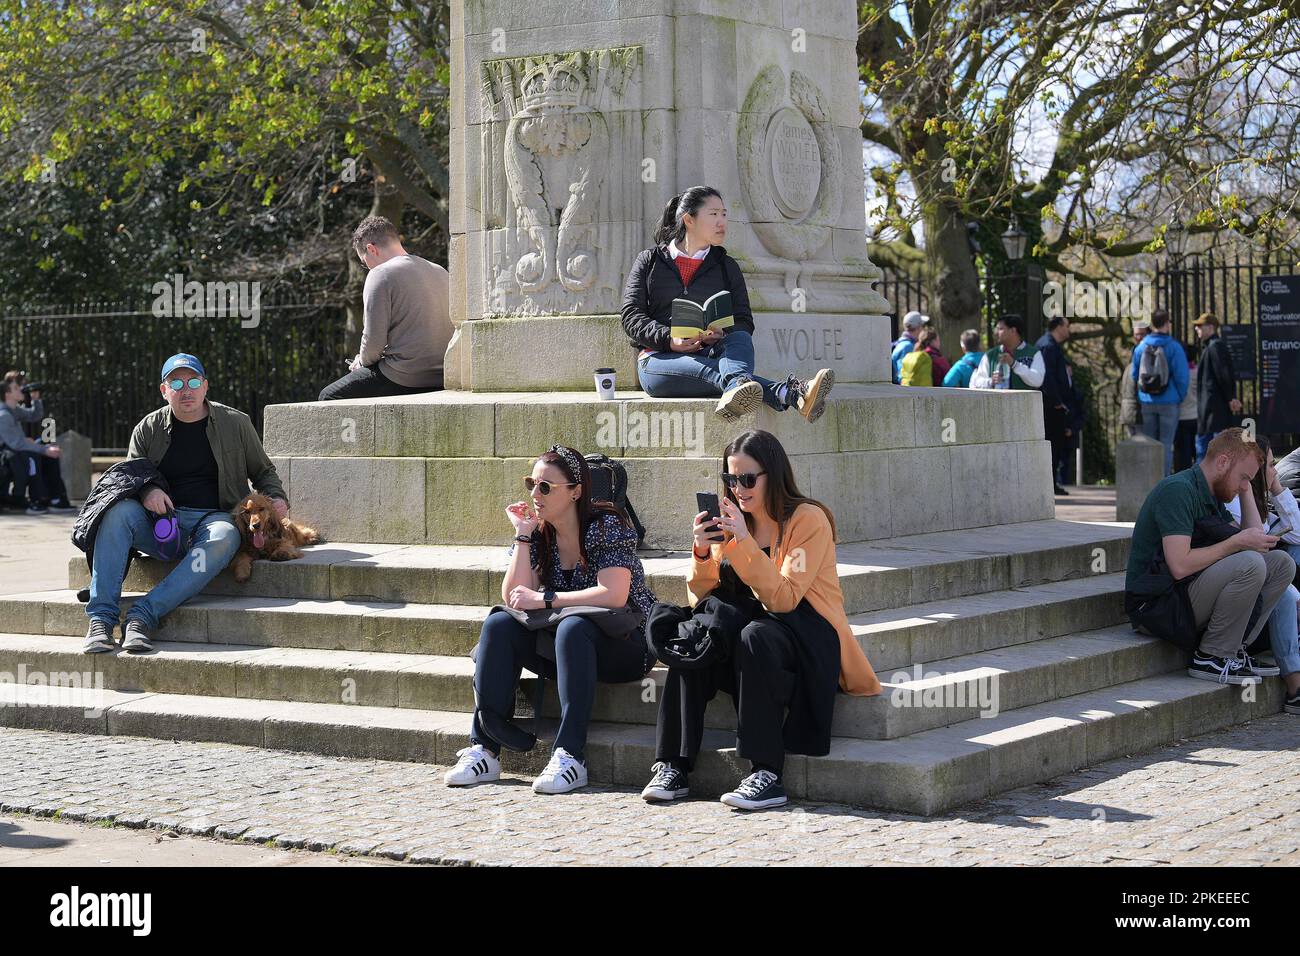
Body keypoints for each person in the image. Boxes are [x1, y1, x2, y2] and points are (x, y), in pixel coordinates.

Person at [640, 429, 882, 811]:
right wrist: (703, 552)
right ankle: (673, 764)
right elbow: (703, 597)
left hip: (805, 638)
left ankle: (766, 773)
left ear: (774, 474)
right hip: (749, 643)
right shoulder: (735, 522)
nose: (739, 488)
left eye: (748, 479)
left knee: (756, 634)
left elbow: (785, 599)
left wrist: (741, 544)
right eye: (730, 479)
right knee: (696, 634)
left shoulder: (808, 520)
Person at [445, 445, 658, 794]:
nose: (534, 494)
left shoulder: (607, 525)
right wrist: (523, 535)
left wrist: (546, 598)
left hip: (627, 645)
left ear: (576, 492)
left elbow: (614, 594)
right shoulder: (539, 532)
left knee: (574, 626)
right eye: (532, 483)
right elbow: (514, 596)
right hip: (568, 648)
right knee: (499, 624)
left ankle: (571, 756)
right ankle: (485, 748)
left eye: (545, 487)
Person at [83, 353, 290, 654]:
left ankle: (143, 616)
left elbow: (263, 472)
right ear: (164, 391)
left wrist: (278, 498)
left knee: (226, 535)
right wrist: (147, 492)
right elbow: (125, 480)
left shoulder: (236, 423)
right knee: (117, 514)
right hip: (160, 524)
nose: (186, 389)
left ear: (205, 386)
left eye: (193, 381)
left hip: (214, 518)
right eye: (176, 383)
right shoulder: (147, 428)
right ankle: (101, 619)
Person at [621, 187, 834, 423]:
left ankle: (754, 387)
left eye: (724, 214)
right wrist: (668, 338)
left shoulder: (726, 265)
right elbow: (631, 315)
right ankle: (789, 393)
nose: (722, 221)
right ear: (689, 220)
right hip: (659, 361)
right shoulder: (650, 261)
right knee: (719, 372)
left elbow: (743, 319)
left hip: (713, 352)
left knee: (740, 337)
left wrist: (721, 333)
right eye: (713, 214)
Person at [1124, 427, 1295, 685]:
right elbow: (1180, 565)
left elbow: (1253, 537)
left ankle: (1234, 650)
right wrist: (1236, 542)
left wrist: (1245, 488)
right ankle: (1212, 655)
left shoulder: (1212, 492)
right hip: (1157, 606)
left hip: (1184, 595)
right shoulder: (1178, 490)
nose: (1244, 485)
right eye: (1243, 478)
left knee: (1281, 563)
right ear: (1223, 462)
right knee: (1249, 562)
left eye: (1249, 479)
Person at [318, 216, 452, 401]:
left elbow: (373, 343)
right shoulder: (440, 271)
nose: (367, 267)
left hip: (406, 375)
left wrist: (360, 362)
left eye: (364, 262)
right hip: (443, 375)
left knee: (328, 396)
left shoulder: (380, 274)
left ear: (371, 249)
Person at [1223, 436, 1300, 714]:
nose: (1276, 470)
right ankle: (1295, 686)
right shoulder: (1234, 501)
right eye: (1269, 465)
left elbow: (1297, 532)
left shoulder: (1260, 496)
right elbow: (1255, 556)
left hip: (1260, 573)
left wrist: (1276, 486)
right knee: (1285, 596)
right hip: (1236, 586)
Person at [1130, 308, 1189, 476]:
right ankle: (1162, 481)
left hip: (1147, 401)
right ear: (1166, 324)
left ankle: (1149, 480)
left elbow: (1135, 374)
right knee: (1165, 444)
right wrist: (1179, 396)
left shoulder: (1141, 347)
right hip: (1169, 402)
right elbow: (1182, 377)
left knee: (1150, 444)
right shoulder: (1174, 347)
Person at [0, 379, 72, 514]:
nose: (21, 389)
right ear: (7, 394)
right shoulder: (3, 415)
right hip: (7, 458)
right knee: (33, 455)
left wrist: (35, 399)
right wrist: (45, 451)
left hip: (15, 452)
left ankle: (56, 499)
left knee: (47, 446)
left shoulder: (14, 410)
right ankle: (36, 500)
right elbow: (17, 444)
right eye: (16, 388)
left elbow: (35, 415)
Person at [1193, 312, 1241, 461]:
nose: (1196, 329)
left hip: (1214, 412)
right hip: (1210, 412)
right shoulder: (1211, 347)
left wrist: (1231, 398)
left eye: (1200, 326)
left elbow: (1224, 376)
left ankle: (1209, 484)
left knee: (1211, 453)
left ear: (1211, 327)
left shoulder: (1215, 347)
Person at [1035, 316, 1073, 494]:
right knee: (1053, 444)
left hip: (1053, 404)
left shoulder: (1049, 344)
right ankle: (1048, 484)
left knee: (1056, 445)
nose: (1069, 329)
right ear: (1058, 327)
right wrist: (1057, 402)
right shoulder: (1048, 346)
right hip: (1051, 406)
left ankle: (1051, 483)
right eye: (1066, 326)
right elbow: (1047, 376)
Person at [969, 315, 1045, 390]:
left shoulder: (1034, 353)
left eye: (1000, 329)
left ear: (1013, 331)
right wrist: (991, 381)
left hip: (1025, 402)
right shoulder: (990, 355)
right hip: (997, 402)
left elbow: (1038, 381)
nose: (996, 332)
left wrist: (1015, 364)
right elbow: (977, 382)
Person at [1119, 320, 1149, 437]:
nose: (1139, 337)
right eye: (1137, 334)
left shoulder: (1132, 359)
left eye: (1142, 334)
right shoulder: (1139, 357)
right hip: (1136, 411)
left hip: (1129, 410)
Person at [1174, 358, 1199, 472]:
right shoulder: (1197, 371)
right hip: (1196, 414)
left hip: (1181, 416)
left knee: (1183, 453)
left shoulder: (1178, 373)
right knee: (1196, 450)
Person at [891, 311, 927, 384]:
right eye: (922, 326)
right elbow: (903, 375)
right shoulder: (907, 346)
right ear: (918, 327)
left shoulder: (901, 343)